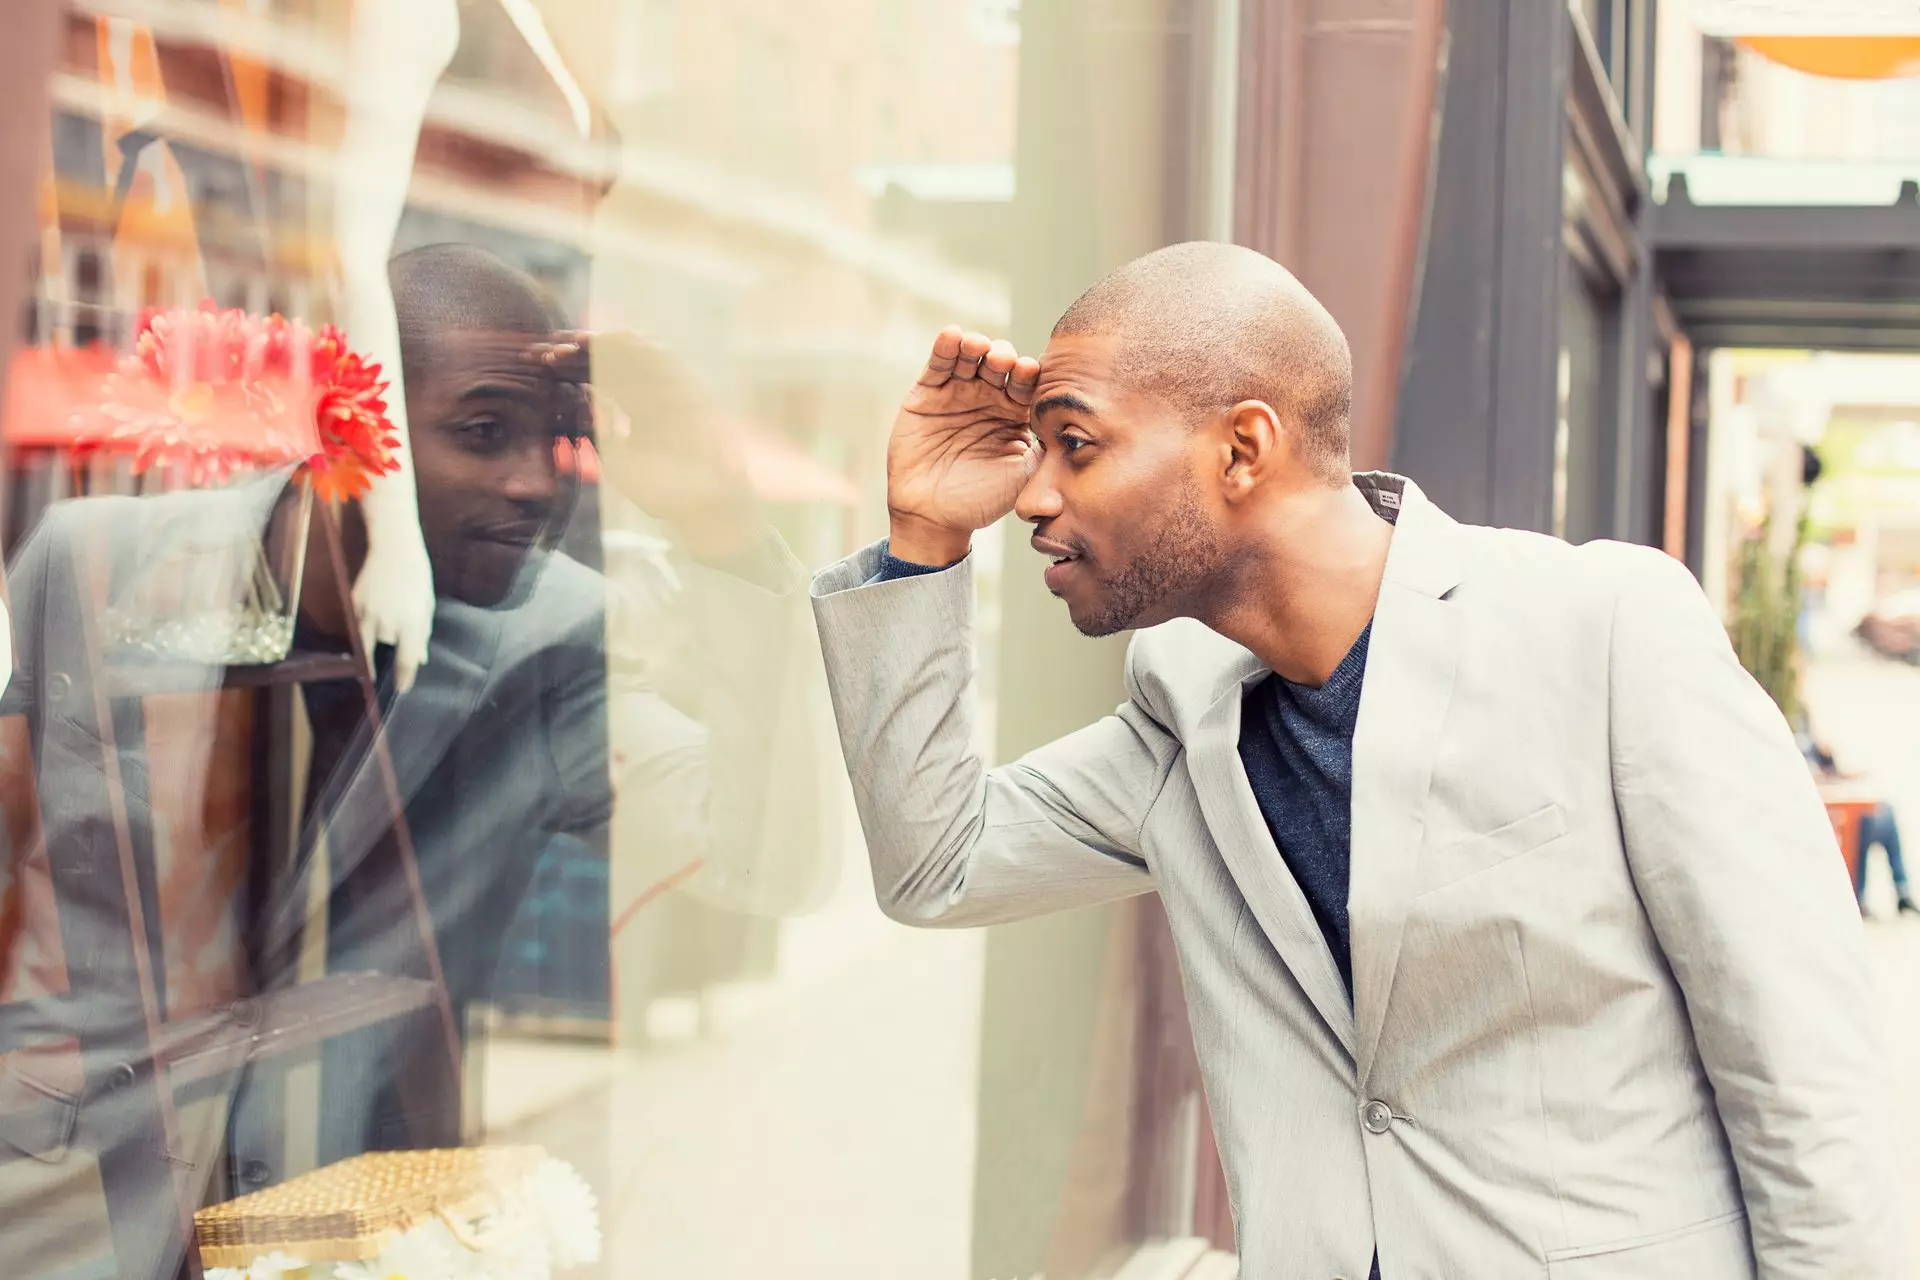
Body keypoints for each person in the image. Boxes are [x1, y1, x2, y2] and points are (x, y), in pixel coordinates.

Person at [810, 241, 1905, 1278]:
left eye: (1076, 444)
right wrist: (924, 540)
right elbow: (935, 864)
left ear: (1243, 447)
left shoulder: (1604, 632)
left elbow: (1804, 1079)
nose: (1035, 496)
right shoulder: (1183, 721)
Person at [0, 244, 831, 1278]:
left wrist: (724, 530)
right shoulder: (89, 566)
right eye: (485, 431)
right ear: (350, 427)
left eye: (564, 442)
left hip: (364, 1238)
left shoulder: (553, 644)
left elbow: (773, 864)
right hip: (69, 1219)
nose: (537, 484)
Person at [1800, 725, 1918, 916]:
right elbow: (1816, 780)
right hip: (1829, 820)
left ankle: (1901, 891)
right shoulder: (1800, 748)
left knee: (1885, 812)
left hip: (1839, 811)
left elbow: (1833, 774)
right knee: (1863, 825)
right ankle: (1862, 896)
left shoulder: (1817, 748)